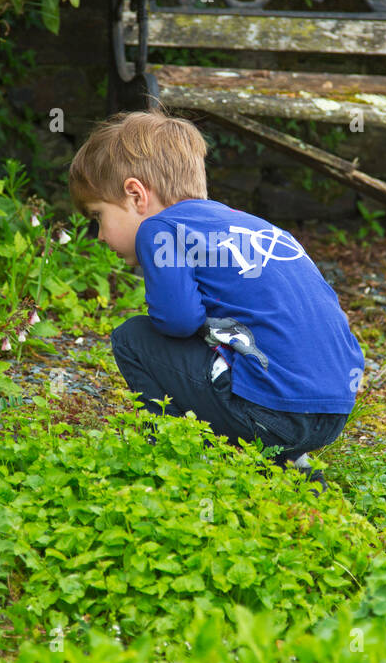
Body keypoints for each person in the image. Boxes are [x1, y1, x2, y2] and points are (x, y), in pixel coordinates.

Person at [68, 105, 364, 494]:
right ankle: (292, 462)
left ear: (136, 194)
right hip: (333, 411)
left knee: (133, 338)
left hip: (271, 413)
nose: (101, 236)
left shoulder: (160, 228)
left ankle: (177, 456)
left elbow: (178, 322)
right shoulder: (254, 225)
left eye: (97, 217)